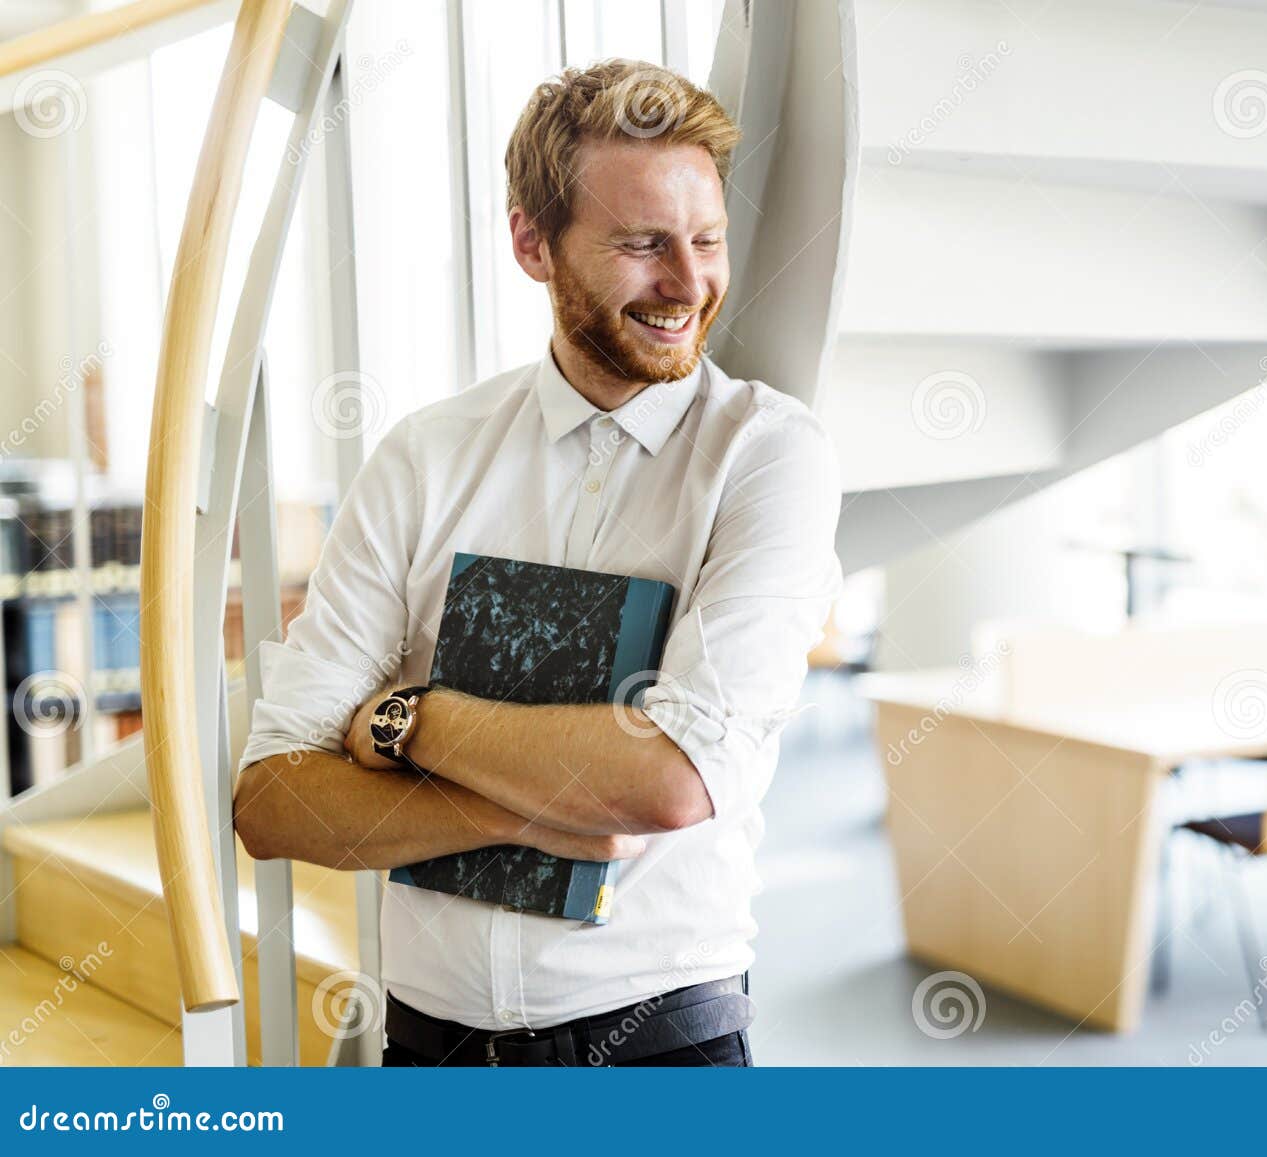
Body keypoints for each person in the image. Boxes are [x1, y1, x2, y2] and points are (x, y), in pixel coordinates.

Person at [233, 58, 843, 1068]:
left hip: (662, 1049)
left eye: (706, 240)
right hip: (430, 1051)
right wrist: (552, 805)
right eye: (644, 244)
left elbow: (671, 781)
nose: (690, 285)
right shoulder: (424, 458)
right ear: (532, 241)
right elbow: (272, 800)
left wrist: (402, 718)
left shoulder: (769, 454)